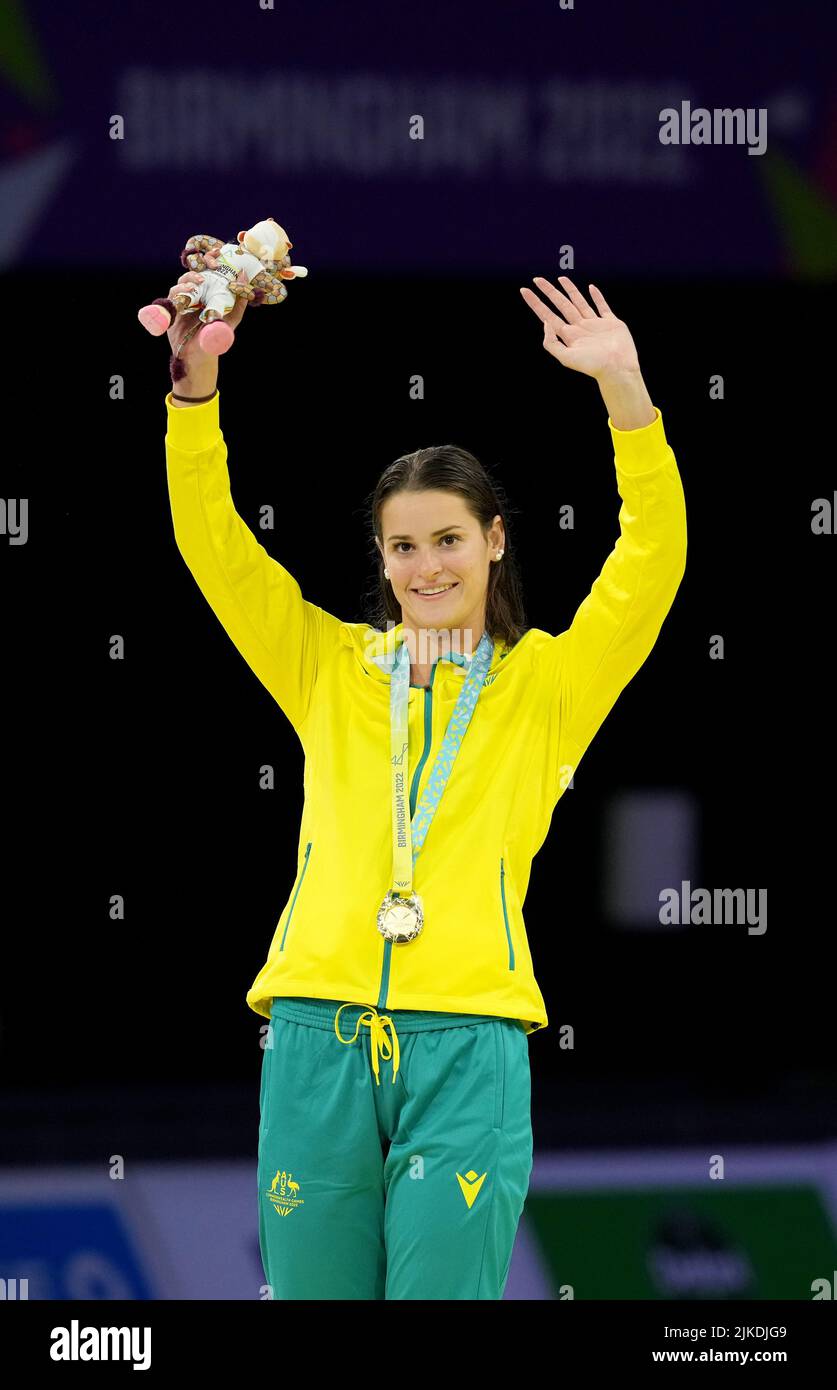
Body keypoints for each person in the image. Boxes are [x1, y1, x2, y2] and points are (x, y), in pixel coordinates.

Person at [162, 270, 687, 1300]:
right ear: (382, 557)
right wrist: (193, 389)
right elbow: (213, 546)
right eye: (403, 545)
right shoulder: (325, 666)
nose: (426, 565)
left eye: (449, 539)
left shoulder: (547, 685)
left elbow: (652, 558)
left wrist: (627, 394)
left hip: (469, 1044)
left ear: (494, 540)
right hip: (315, 1035)